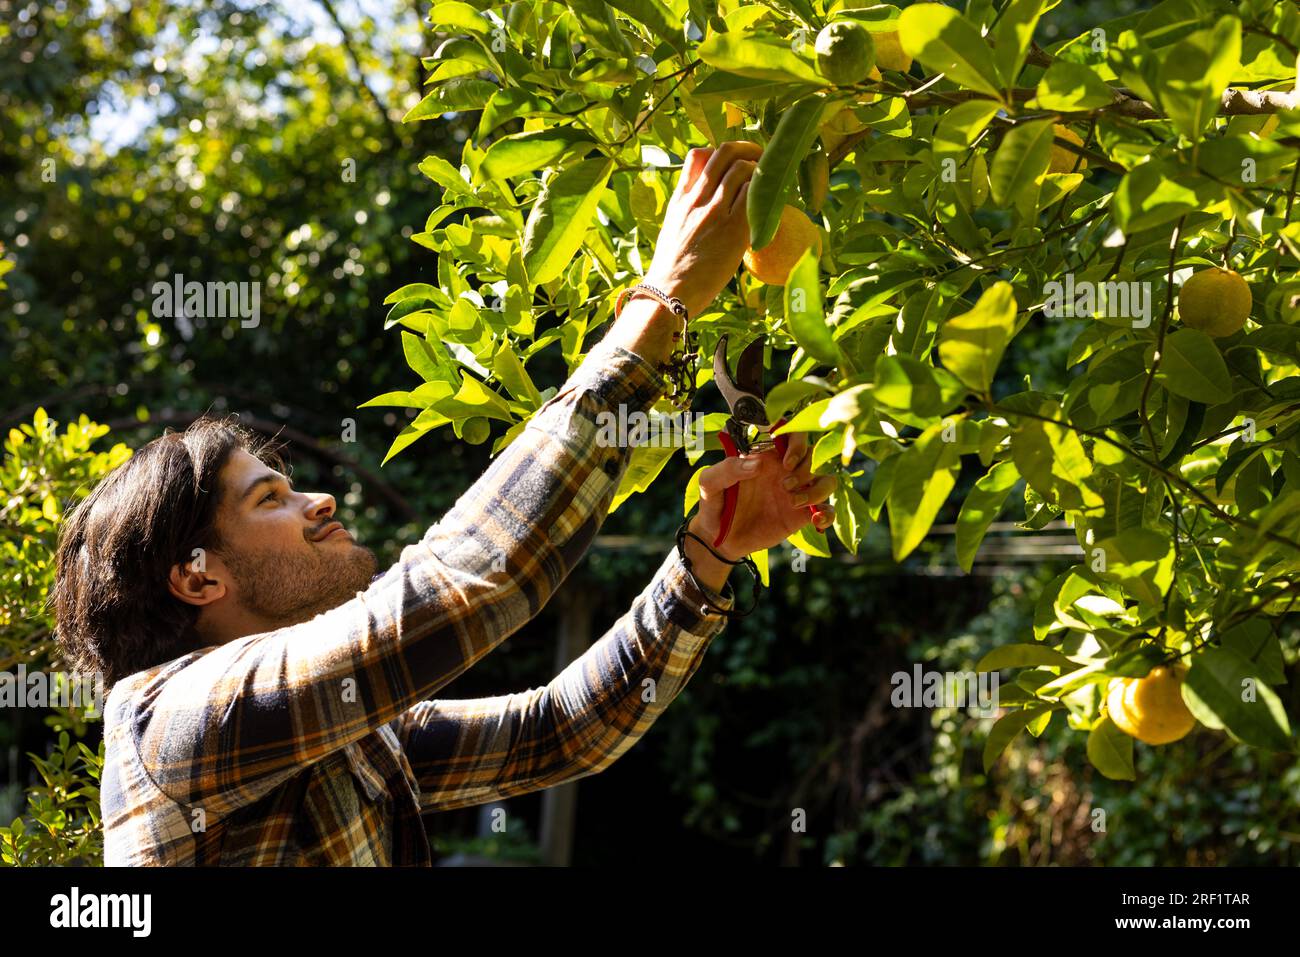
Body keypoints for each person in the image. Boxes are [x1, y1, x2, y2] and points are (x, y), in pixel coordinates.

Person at [52, 141, 838, 865]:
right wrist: (658, 303)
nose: (321, 501)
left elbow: (557, 733)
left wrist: (708, 553)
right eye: (272, 498)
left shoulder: (348, 738)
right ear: (196, 577)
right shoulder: (170, 721)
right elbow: (465, 584)